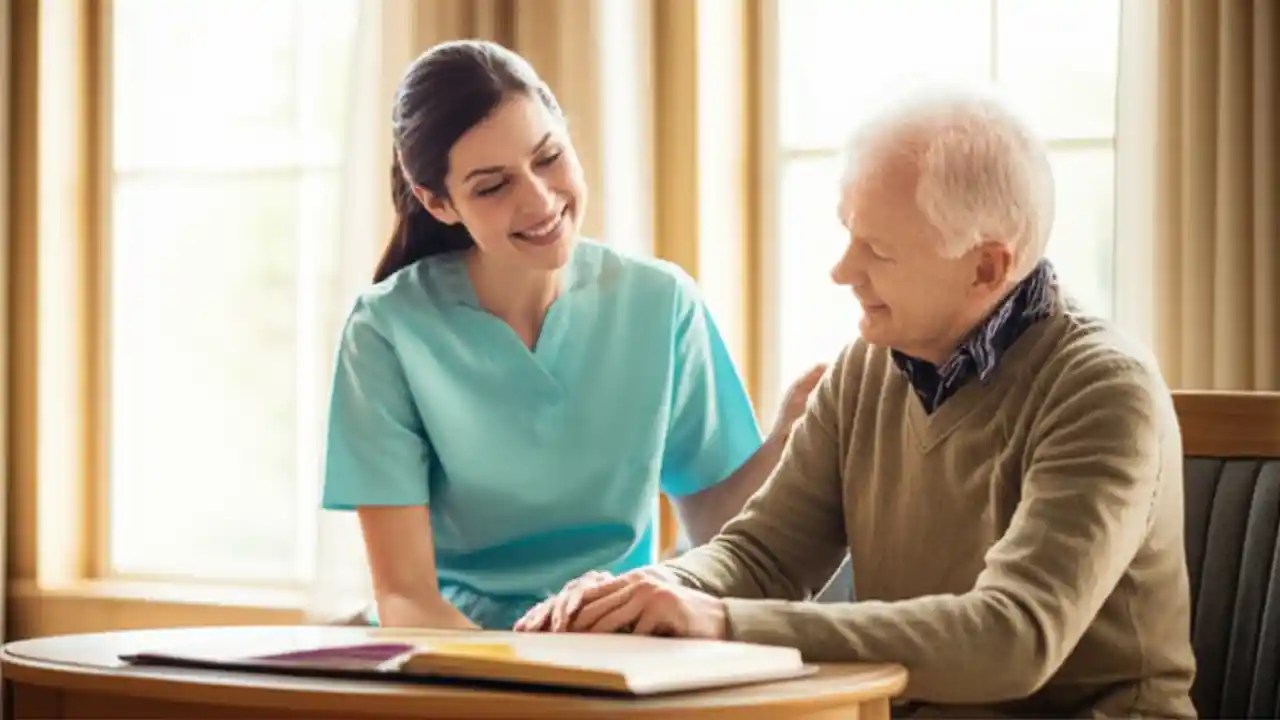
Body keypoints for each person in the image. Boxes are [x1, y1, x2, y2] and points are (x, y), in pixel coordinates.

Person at [518, 88, 1197, 718]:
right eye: (848, 232)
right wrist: (640, 597)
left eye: (876, 249)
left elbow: (1011, 638)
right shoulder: (868, 365)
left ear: (987, 266)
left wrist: (719, 623)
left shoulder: (1103, 390)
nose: (842, 270)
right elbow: (761, 558)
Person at [320, 40, 823, 632]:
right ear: (438, 202)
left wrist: (791, 434)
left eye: (548, 156)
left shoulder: (661, 304)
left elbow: (718, 528)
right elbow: (406, 598)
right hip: (455, 652)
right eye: (492, 186)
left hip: (612, 645)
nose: (539, 200)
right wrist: (520, 679)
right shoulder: (386, 332)